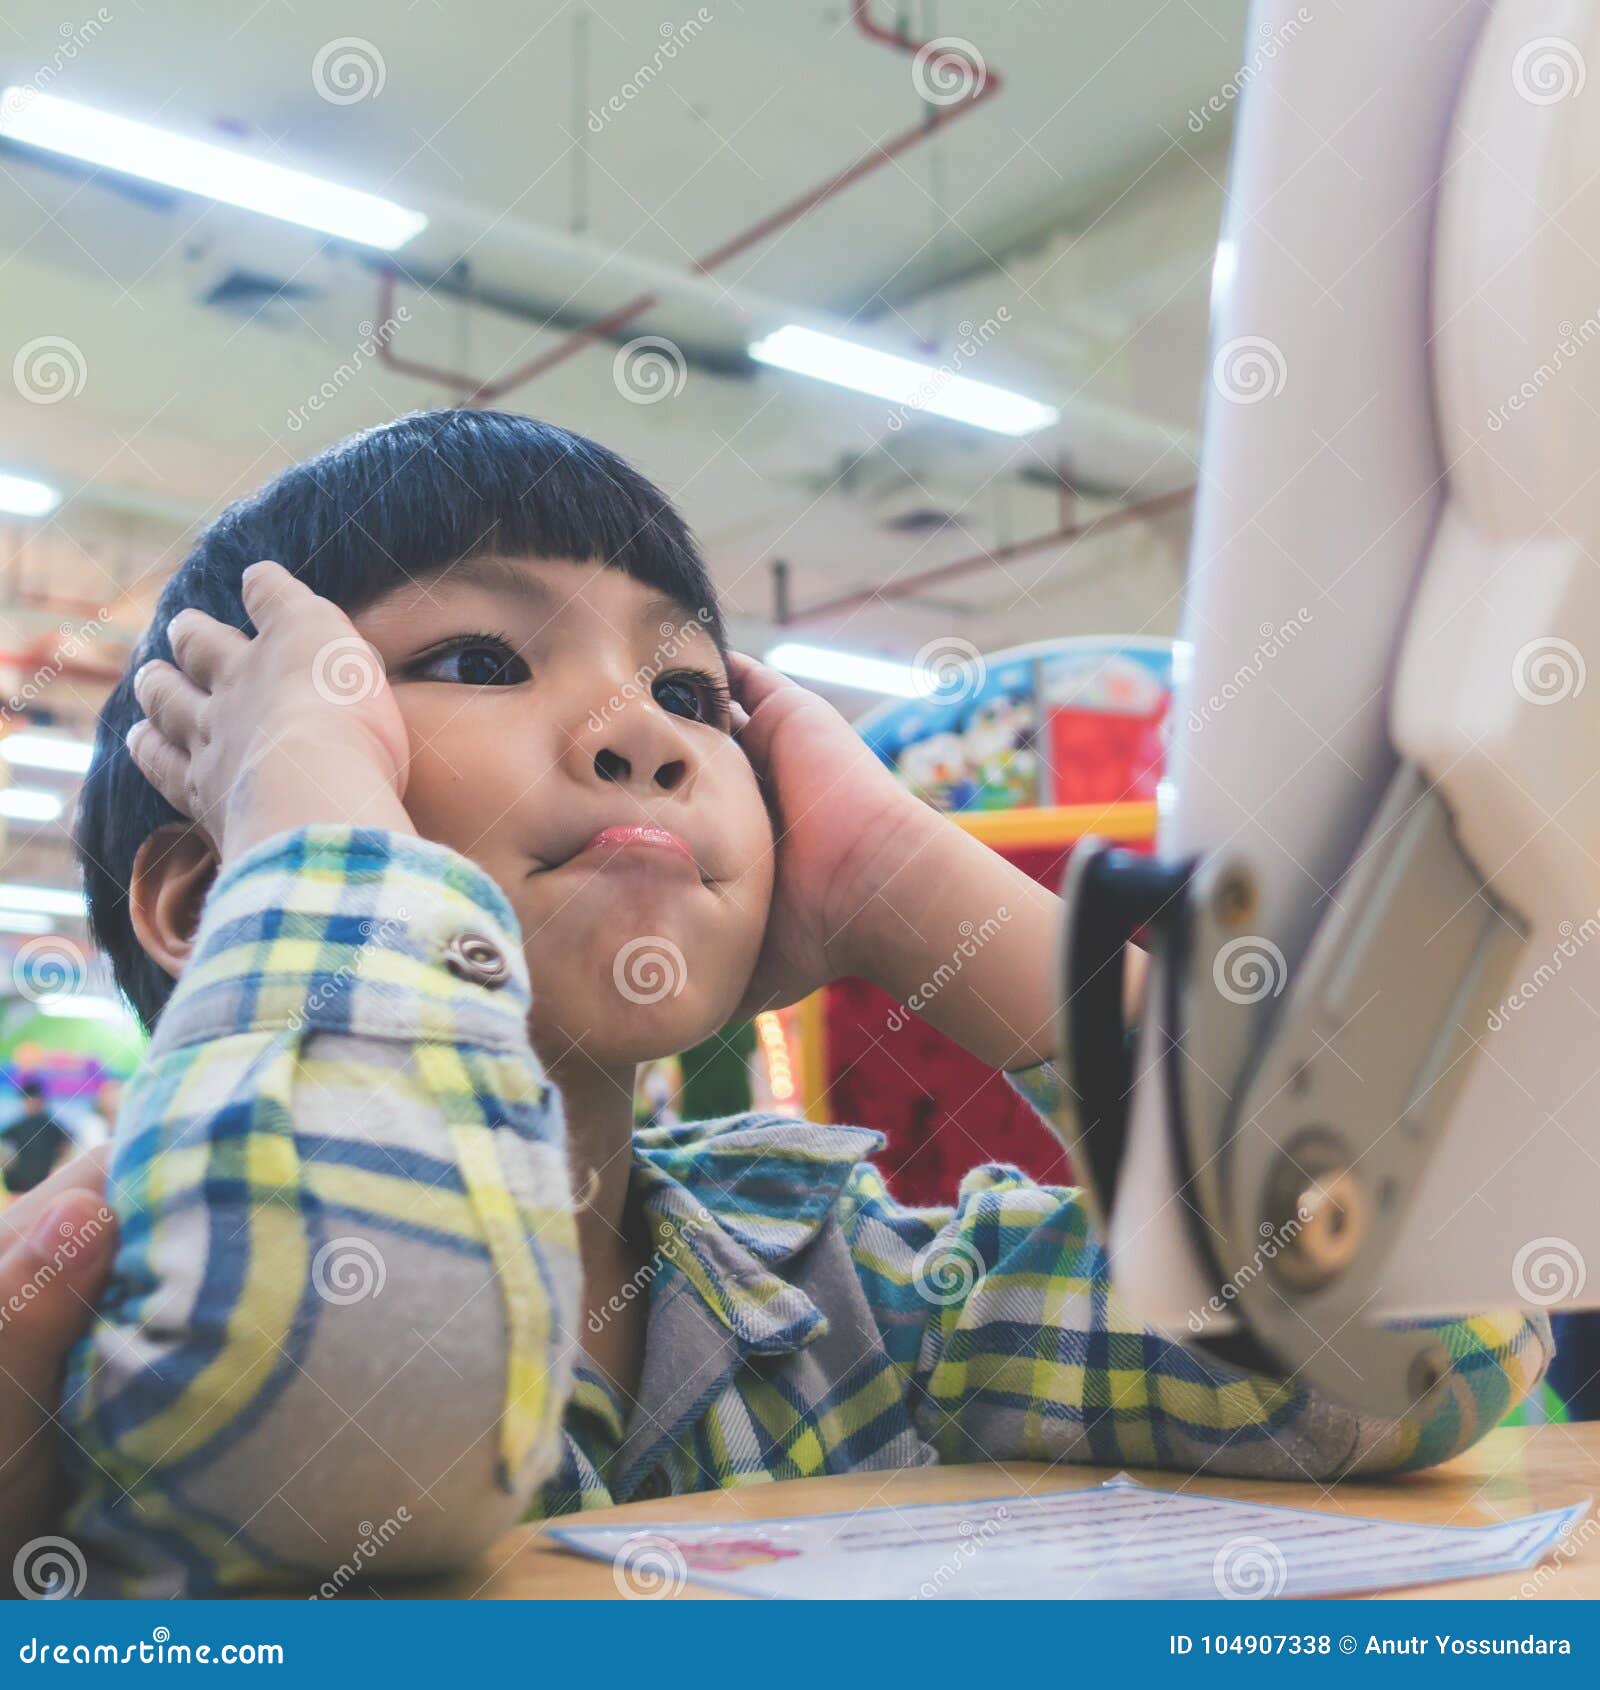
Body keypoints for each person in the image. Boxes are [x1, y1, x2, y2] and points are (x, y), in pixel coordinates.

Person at [43, 409, 1547, 1596]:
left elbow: (1421, 1337)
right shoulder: (109, 1295)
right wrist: (310, 817)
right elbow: (368, 1404)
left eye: (691, 693)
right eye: (481, 658)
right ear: (206, 893)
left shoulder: (833, 1279)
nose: (639, 726)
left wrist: (907, 882)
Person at [1, 1082, 72, 1196]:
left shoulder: (52, 1126)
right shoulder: (16, 1127)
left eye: (35, 1099)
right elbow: (5, 1150)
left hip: (45, 1186)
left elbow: (66, 1146)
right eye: (28, 1100)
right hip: (18, 1187)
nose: (32, 1103)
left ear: (42, 1101)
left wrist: (58, 1167)